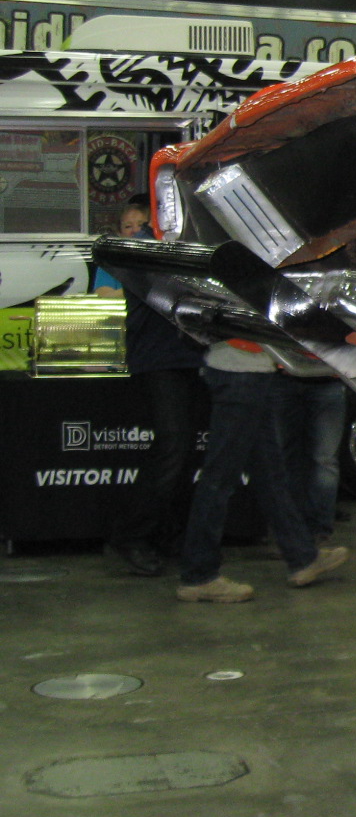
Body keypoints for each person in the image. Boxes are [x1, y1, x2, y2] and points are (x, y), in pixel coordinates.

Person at [176, 338, 351, 602]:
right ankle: (198, 574)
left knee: (270, 474)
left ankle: (302, 557)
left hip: (252, 370)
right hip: (240, 372)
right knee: (219, 479)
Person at [93, 199, 206, 577]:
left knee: (185, 451)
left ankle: (167, 533)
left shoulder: (185, 243)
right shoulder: (143, 247)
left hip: (188, 357)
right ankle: (131, 534)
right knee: (173, 448)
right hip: (159, 358)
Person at [272, 371, 349, 545]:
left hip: (327, 380)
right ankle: (291, 531)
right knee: (287, 458)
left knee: (323, 459)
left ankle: (318, 530)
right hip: (283, 377)